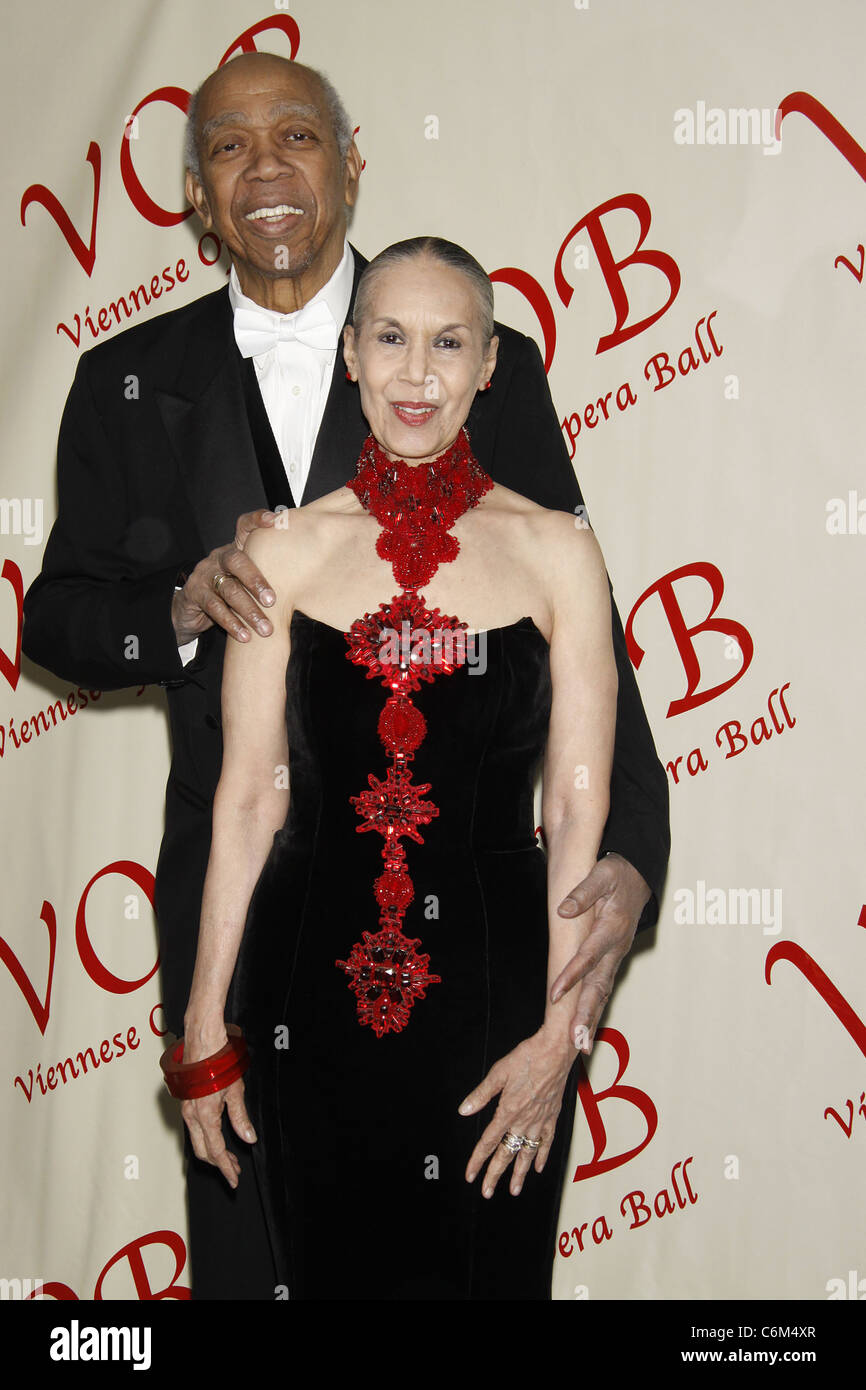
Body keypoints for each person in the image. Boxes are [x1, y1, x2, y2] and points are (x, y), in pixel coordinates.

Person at [22, 52, 669, 1298]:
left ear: (353, 162)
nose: (265, 168)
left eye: (298, 137)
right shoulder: (126, 378)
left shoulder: (496, 361)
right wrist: (175, 609)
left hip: (481, 932)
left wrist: (625, 856)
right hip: (249, 900)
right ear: (196, 198)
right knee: (254, 1258)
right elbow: (55, 613)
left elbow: (585, 652)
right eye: (227, 147)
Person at [179, 237, 618, 1299]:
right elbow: (246, 799)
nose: (416, 373)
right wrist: (201, 1023)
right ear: (349, 356)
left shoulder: (558, 548)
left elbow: (575, 807)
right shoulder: (279, 551)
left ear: (488, 365)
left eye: (447, 342)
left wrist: (561, 1034)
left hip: (497, 990)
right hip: (305, 990)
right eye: (389, 338)